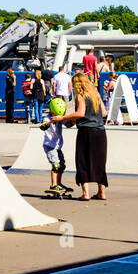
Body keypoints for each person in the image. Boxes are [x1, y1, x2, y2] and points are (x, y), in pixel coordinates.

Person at [51, 72, 108, 201]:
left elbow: (81, 113)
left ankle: (86, 193)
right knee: (100, 162)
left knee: (83, 161)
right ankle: (101, 192)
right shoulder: (96, 95)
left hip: (86, 132)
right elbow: (104, 113)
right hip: (100, 132)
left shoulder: (80, 95)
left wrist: (63, 117)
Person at [41, 96, 70, 195]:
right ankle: (53, 185)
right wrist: (51, 121)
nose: (56, 116)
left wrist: (74, 118)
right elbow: (43, 126)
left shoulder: (59, 117)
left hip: (57, 146)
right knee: (56, 165)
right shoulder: (47, 117)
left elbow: (68, 124)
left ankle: (59, 183)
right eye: (54, 114)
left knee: (61, 165)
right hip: (49, 145)